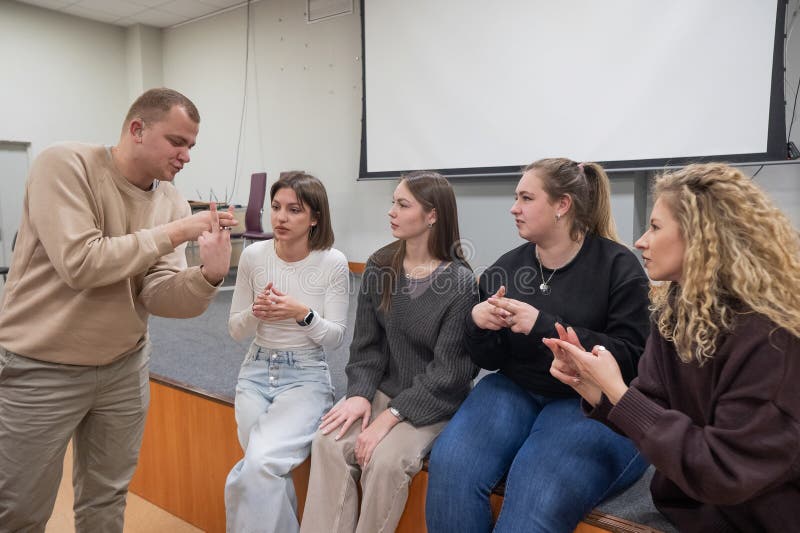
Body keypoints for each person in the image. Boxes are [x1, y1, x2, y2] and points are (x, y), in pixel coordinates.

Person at [0, 88, 237, 532]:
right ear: (137, 129)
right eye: (177, 142)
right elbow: (81, 264)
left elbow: (158, 294)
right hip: (41, 368)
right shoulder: (65, 165)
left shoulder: (170, 200)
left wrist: (206, 277)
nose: (186, 155)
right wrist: (175, 232)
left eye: (191, 146)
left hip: (123, 369)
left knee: (106, 500)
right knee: (19, 508)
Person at [545, 163, 800, 533]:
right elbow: (655, 409)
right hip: (690, 507)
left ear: (702, 236)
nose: (640, 241)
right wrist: (595, 389)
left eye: (655, 227)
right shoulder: (677, 311)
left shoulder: (771, 337)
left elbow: (724, 471)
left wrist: (618, 390)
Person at [426, 158, 651, 533]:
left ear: (562, 205)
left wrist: (543, 325)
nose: (514, 208)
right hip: (516, 388)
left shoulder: (618, 265)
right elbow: (490, 359)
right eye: (516, 197)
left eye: (526, 198)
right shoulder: (505, 268)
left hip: (590, 398)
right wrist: (478, 324)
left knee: (535, 492)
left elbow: (634, 358)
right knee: (451, 469)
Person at [299, 171, 478, 533]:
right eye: (392, 202)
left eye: (402, 204)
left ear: (432, 216)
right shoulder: (380, 265)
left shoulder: (460, 283)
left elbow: (449, 375)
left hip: (432, 403)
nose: (391, 212)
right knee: (329, 442)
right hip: (384, 389)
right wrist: (360, 396)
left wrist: (391, 416)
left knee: (385, 463)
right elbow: (366, 346)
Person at [224, 171, 349, 533]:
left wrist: (302, 314)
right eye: (276, 207)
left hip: (306, 376)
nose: (280, 217)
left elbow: (336, 337)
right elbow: (235, 329)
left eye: (294, 210)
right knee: (263, 471)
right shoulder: (253, 256)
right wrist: (255, 313)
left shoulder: (333, 262)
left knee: (259, 464)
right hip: (256, 370)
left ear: (315, 218)